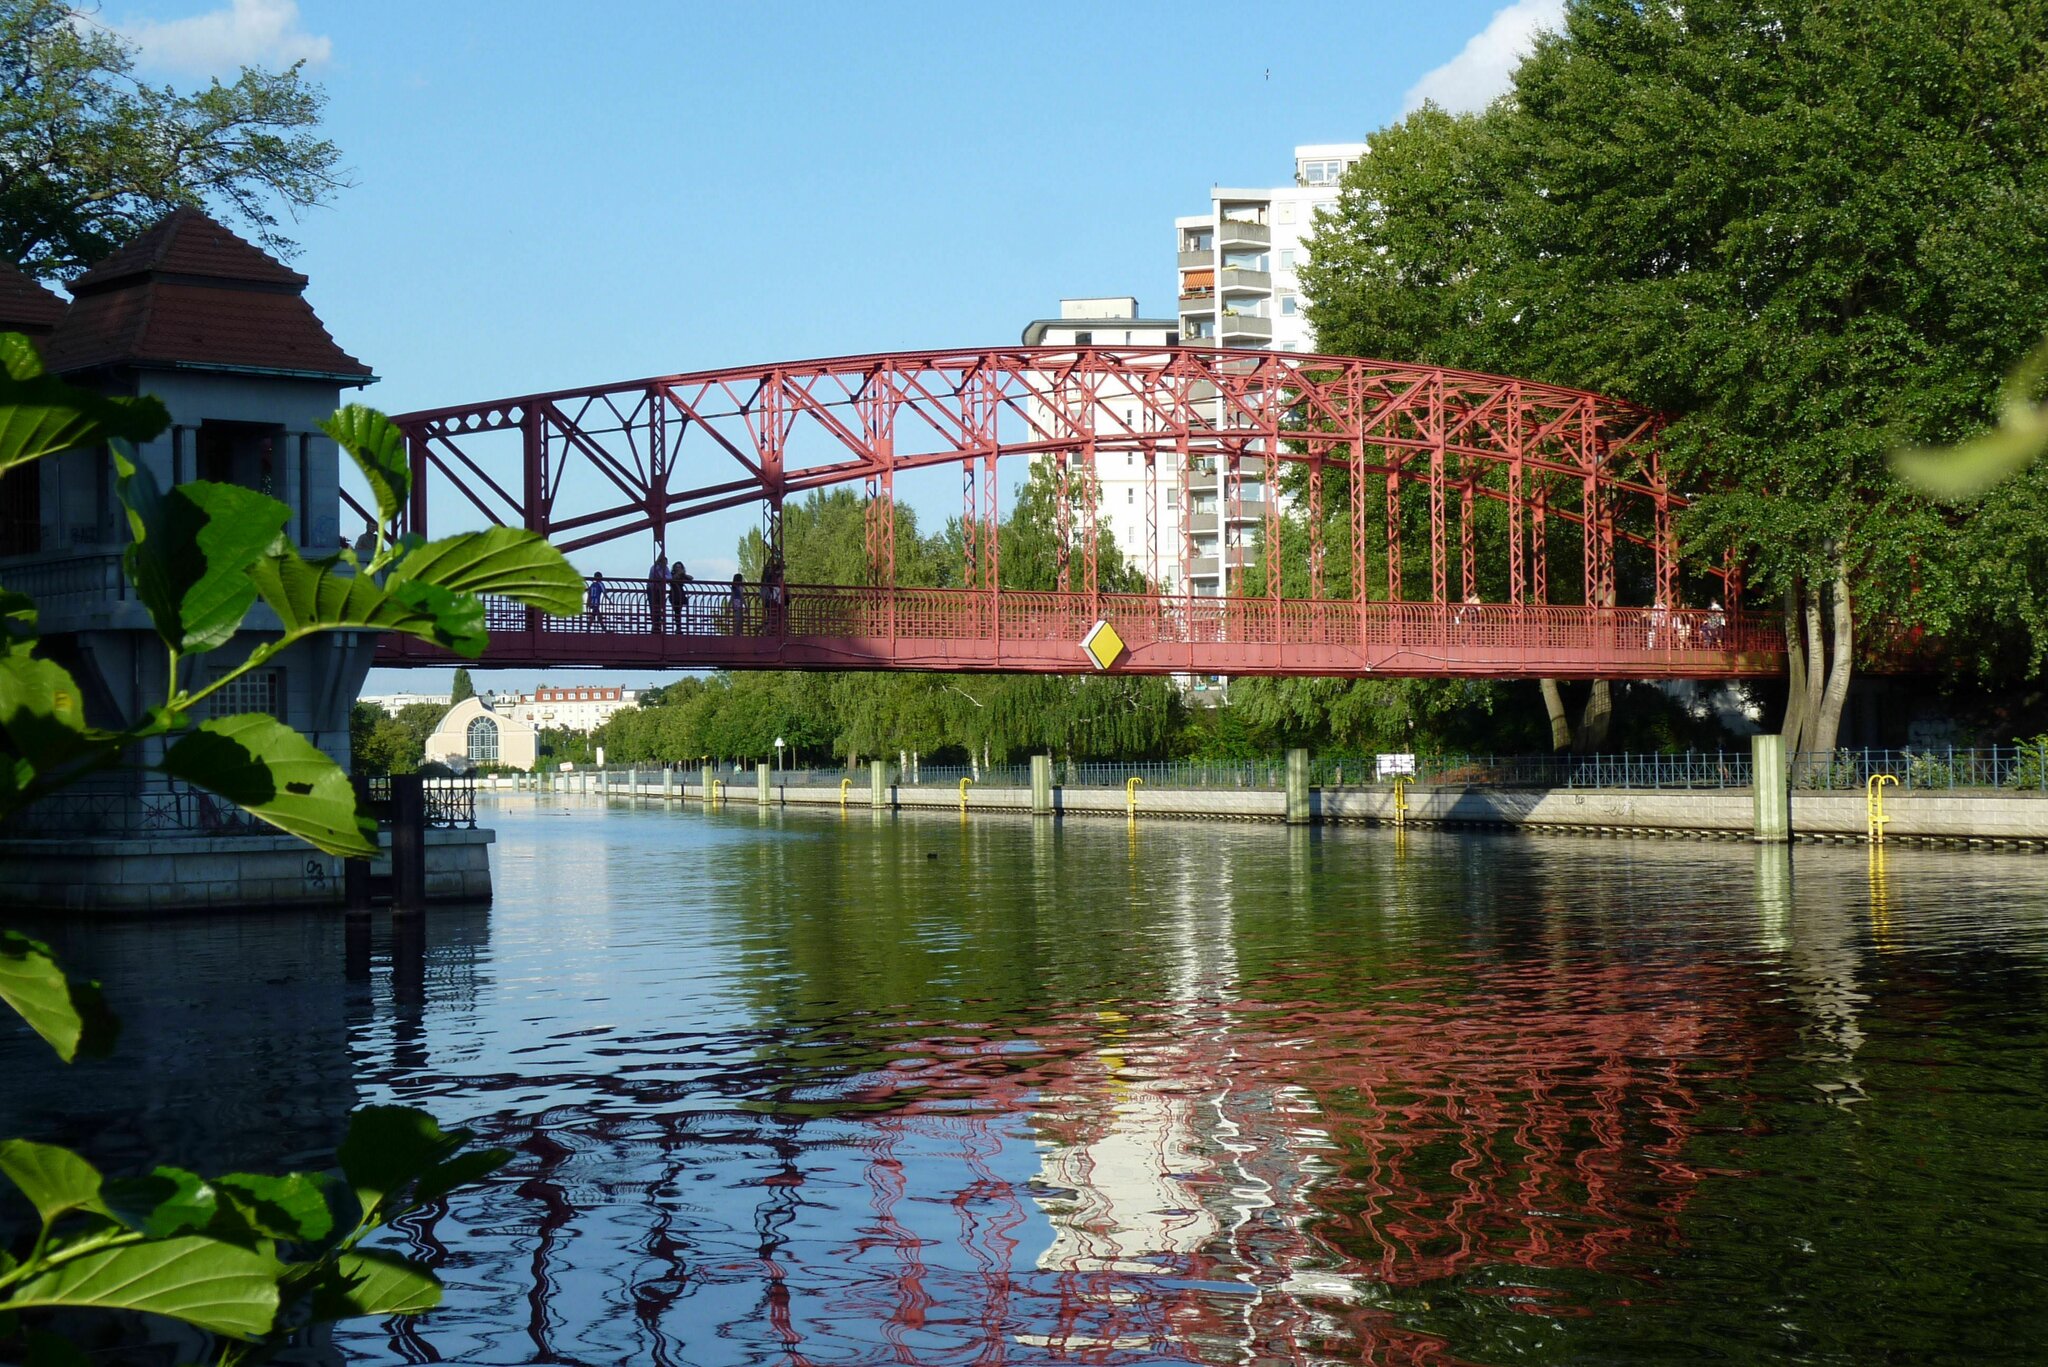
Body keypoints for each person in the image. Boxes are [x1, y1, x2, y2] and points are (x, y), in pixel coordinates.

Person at [647, 553, 668, 634]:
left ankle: (656, 626)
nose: (665, 565)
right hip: (652, 589)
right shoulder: (654, 568)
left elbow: (668, 577)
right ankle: (655, 626)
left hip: (659, 590)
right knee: (654, 607)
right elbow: (662, 577)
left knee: (659, 607)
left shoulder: (664, 569)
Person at [669, 560, 689, 632]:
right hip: (674, 594)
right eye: (677, 567)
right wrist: (678, 574)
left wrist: (684, 575)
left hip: (680, 594)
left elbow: (691, 578)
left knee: (678, 611)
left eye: (679, 567)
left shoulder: (682, 575)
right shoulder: (671, 574)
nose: (678, 569)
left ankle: (678, 627)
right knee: (677, 611)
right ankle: (678, 627)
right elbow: (671, 580)